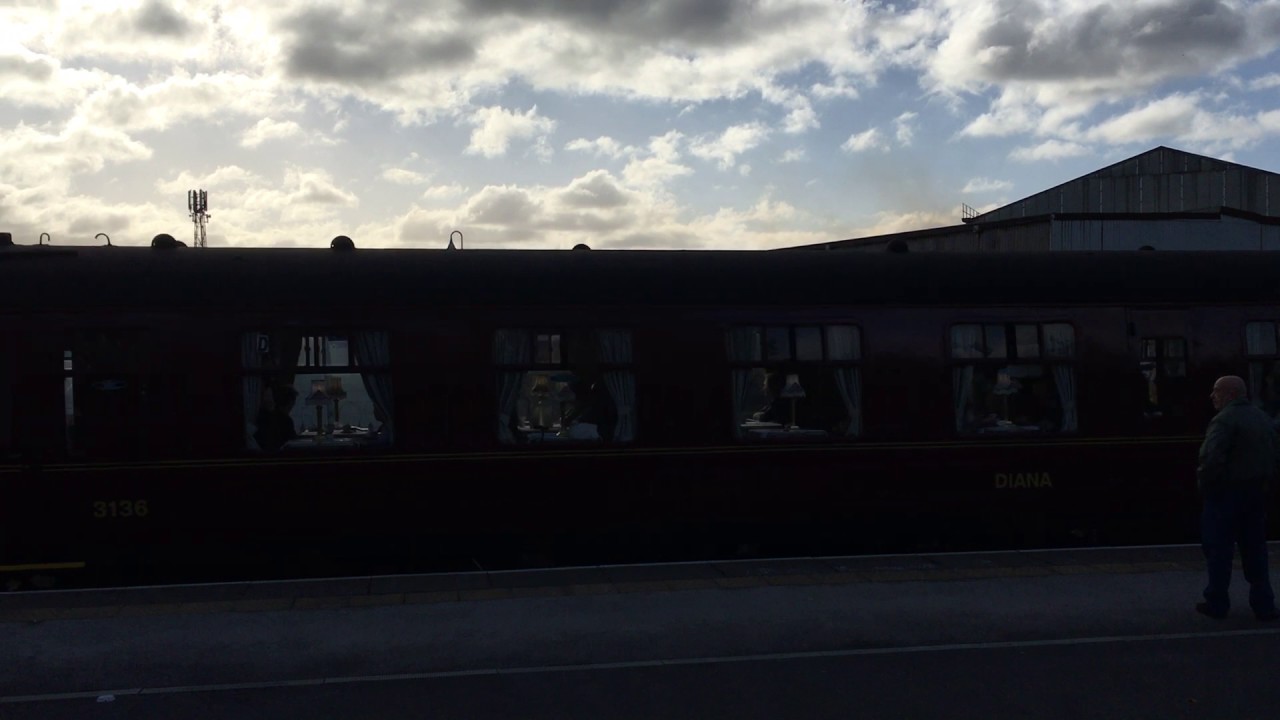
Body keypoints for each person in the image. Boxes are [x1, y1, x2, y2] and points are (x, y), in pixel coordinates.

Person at [1195, 375, 1280, 620]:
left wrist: (1206, 487)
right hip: (1256, 494)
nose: (1212, 396)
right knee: (1255, 550)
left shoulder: (1223, 421)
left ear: (1231, 394)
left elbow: (1210, 459)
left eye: (1217, 391)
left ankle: (1217, 602)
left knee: (1218, 549)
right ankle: (1264, 604)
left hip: (1225, 495)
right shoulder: (1262, 419)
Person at [254, 385, 298, 451]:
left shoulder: (264, 416)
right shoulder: (286, 421)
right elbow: (293, 441)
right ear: (290, 403)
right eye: (293, 402)